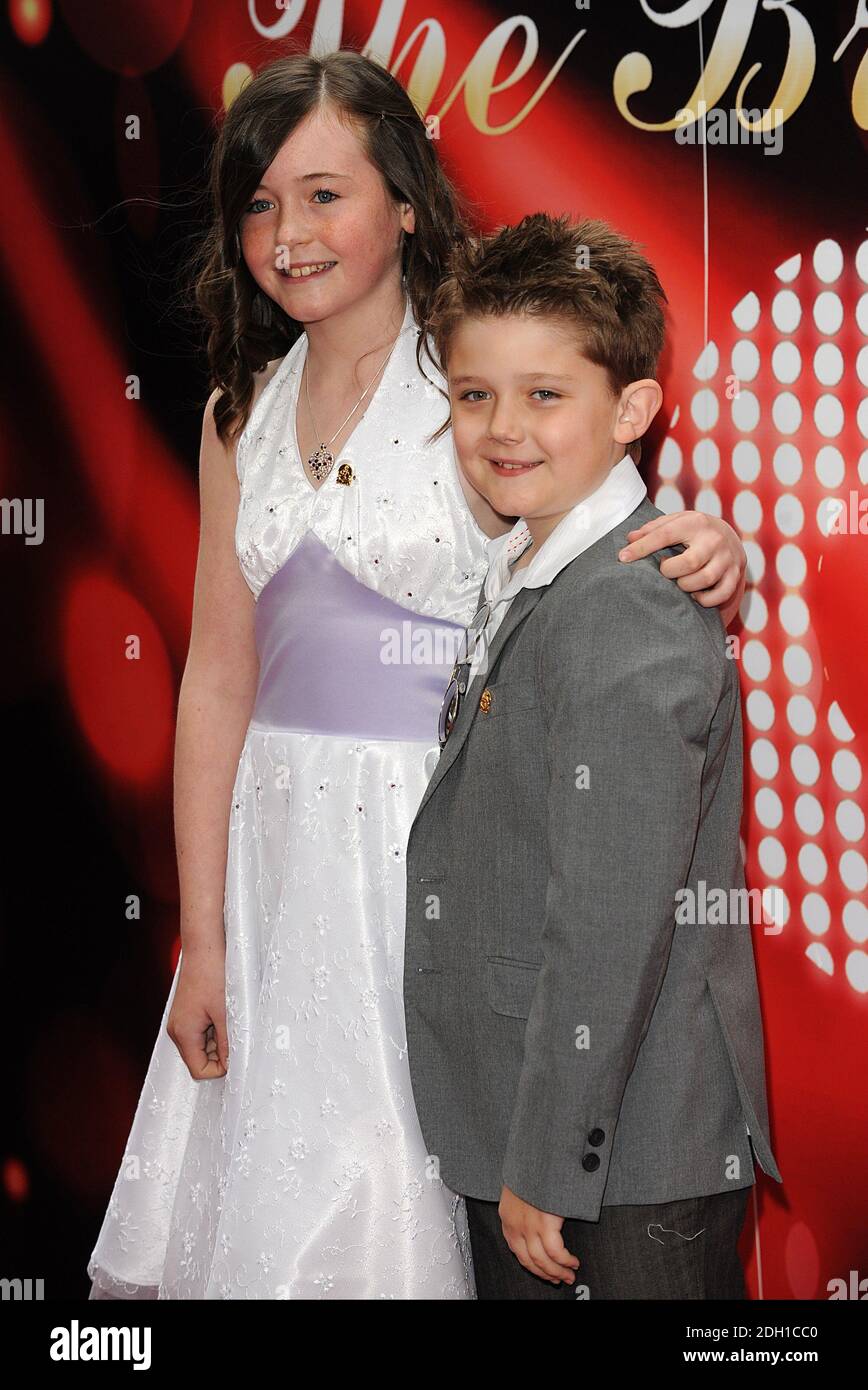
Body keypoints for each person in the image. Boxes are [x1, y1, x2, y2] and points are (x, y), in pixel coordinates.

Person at [87, 52, 749, 1301]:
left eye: (325, 194)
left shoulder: (471, 382)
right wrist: (204, 935)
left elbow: (584, 536)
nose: (290, 235)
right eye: (262, 203)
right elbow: (217, 677)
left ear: (404, 200)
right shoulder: (239, 409)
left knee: (415, 1181)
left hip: (435, 848)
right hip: (279, 858)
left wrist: (713, 537)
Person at [403, 211, 783, 1300]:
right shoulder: (540, 567)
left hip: (620, 1162)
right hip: (560, 1139)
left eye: (543, 394)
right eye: (473, 395)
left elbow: (610, 916)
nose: (501, 427)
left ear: (631, 410)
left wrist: (546, 1156)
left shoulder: (626, 605)